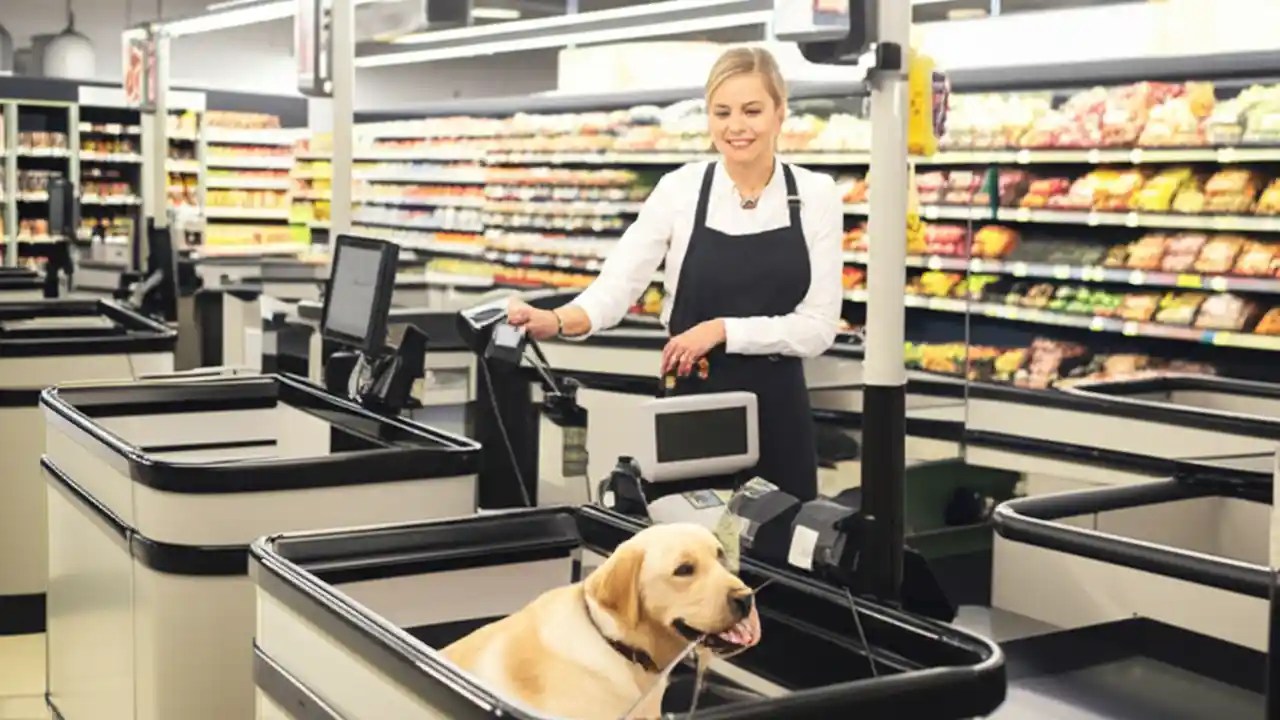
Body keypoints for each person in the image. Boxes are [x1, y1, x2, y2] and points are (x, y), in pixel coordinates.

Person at [507, 46, 843, 501]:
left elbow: (818, 327)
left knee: (777, 555)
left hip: (777, 412)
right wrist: (561, 319)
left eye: (752, 110)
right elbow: (620, 282)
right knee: (690, 551)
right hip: (692, 411)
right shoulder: (681, 190)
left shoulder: (816, 194)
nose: (736, 126)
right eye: (721, 112)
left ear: (780, 113)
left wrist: (721, 330)